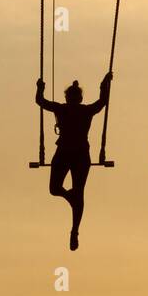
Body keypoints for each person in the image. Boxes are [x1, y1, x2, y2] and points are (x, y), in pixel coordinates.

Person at [36, 72, 111, 251]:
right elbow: (102, 102)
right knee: (73, 193)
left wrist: (39, 89)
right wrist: (103, 85)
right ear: (79, 97)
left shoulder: (62, 109)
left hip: (68, 153)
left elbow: (40, 101)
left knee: (56, 189)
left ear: (68, 97)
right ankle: (73, 210)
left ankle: (74, 229)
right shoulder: (84, 110)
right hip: (77, 155)